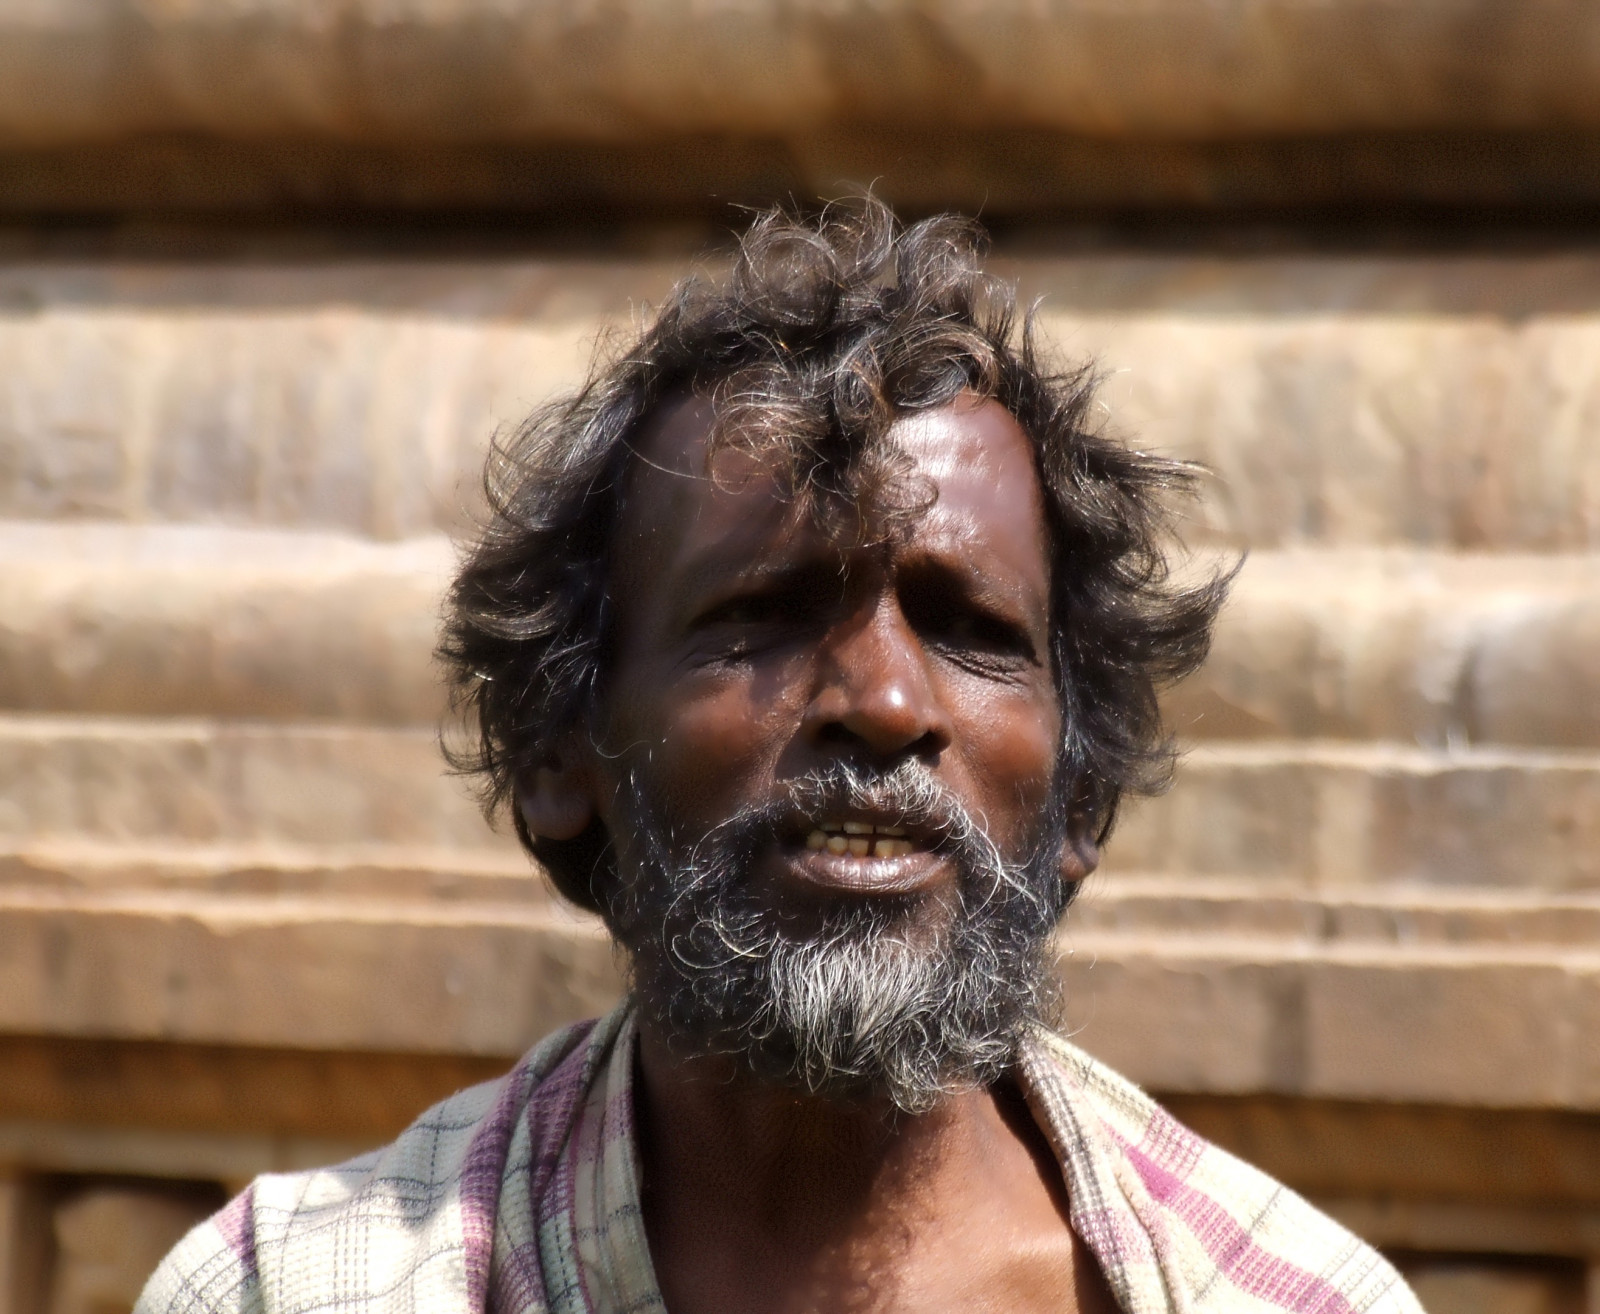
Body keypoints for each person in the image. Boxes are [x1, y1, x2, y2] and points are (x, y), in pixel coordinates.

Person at [137, 200, 1422, 1314]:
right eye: (762, 616)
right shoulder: (296, 1288)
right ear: (559, 748)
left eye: (972, 633)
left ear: (1079, 788)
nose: (886, 702)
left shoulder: (1290, 1297)